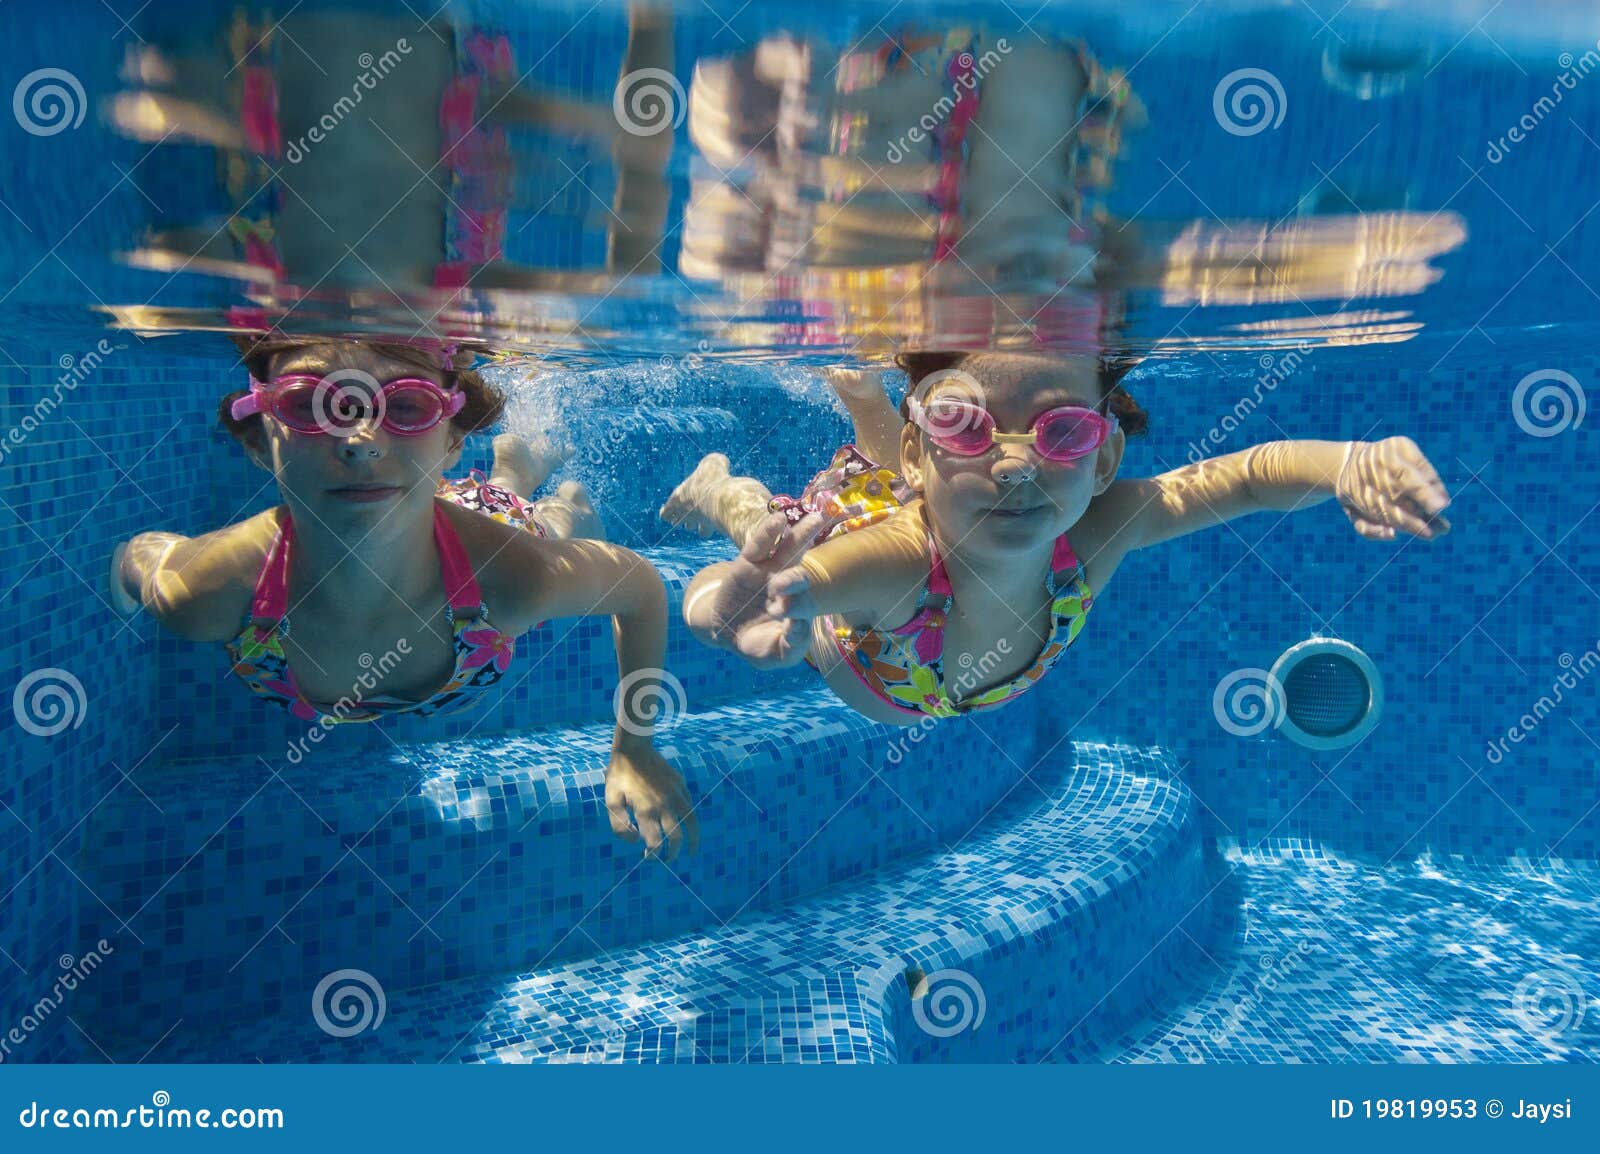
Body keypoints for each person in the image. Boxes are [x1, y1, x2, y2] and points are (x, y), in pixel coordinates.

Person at [112, 337, 697, 859]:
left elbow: (641, 587)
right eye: (311, 403)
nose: (361, 441)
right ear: (259, 444)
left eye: (407, 405)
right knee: (504, 519)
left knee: (536, 530)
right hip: (442, 529)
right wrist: (134, 566)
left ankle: (550, 495)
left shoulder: (515, 578)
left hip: (471, 540)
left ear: (451, 443)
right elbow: (148, 555)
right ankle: (518, 475)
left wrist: (634, 749)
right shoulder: (205, 592)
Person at [662, 352, 1451, 725]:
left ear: (1104, 456)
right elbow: (788, 591)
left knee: (893, 474)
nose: (1015, 465)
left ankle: (874, 403)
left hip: (918, 502)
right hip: (864, 608)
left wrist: (1348, 462)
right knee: (784, 531)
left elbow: (1242, 477)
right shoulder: (894, 564)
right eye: (963, 422)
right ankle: (720, 490)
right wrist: (733, 602)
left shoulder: (1097, 532)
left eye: (1061, 430)